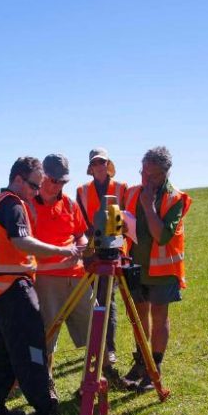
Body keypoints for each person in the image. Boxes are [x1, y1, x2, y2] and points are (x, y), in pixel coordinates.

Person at [0, 157, 83, 415]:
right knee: (34, 352)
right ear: (18, 180)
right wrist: (63, 251)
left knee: (3, 353)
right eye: (34, 185)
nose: (37, 190)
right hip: (16, 289)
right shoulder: (14, 205)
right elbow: (21, 242)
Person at [121, 146, 192, 390]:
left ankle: (155, 367)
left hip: (162, 272)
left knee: (159, 316)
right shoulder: (131, 193)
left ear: (165, 174)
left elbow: (161, 236)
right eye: (143, 173)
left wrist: (149, 207)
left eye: (151, 176)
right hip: (135, 268)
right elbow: (123, 224)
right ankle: (142, 362)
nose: (145, 179)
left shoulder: (175, 199)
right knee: (138, 316)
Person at [28, 154, 93, 375]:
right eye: (54, 180)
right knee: (45, 333)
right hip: (45, 280)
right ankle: (43, 380)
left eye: (63, 182)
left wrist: (81, 248)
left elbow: (80, 235)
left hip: (77, 277)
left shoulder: (70, 204)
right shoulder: (27, 206)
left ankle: (92, 379)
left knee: (92, 328)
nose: (58, 186)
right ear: (42, 176)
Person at [76, 148, 129, 379]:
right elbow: (80, 219)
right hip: (90, 250)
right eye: (95, 163)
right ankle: (97, 346)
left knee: (109, 299)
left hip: (112, 249)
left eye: (102, 162)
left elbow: (124, 217)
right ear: (90, 167)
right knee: (93, 300)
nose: (99, 166)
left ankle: (109, 349)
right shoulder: (81, 190)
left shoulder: (121, 188)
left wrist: (112, 241)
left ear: (108, 164)